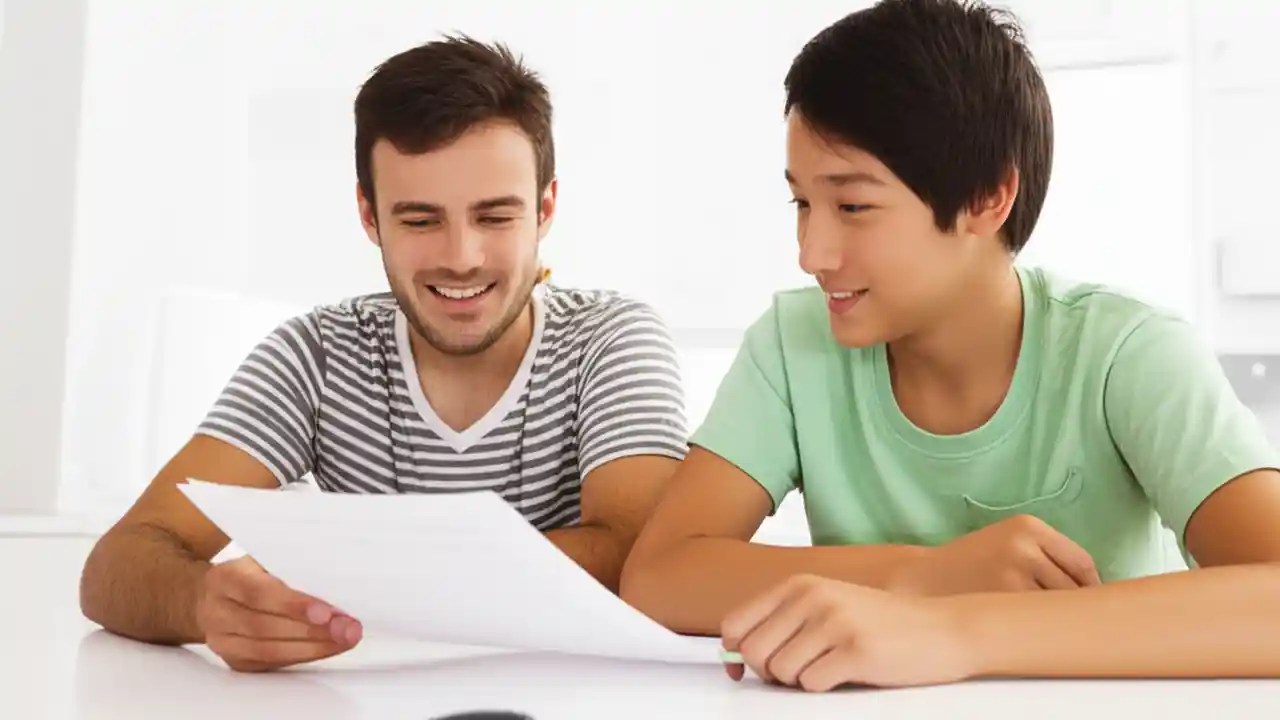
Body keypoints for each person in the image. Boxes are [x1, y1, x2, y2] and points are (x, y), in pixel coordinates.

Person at [621, 0, 1280, 691]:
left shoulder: (1127, 352)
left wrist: (956, 628)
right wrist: (923, 574)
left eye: (852, 207)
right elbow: (660, 576)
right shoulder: (793, 346)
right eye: (801, 204)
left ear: (988, 198)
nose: (811, 253)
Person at [79, 36, 688, 673]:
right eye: (421, 220)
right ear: (369, 217)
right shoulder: (315, 355)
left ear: (546, 209)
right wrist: (206, 603)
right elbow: (117, 562)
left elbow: (641, 552)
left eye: (495, 217)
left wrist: (373, 577)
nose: (462, 256)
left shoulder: (611, 338)